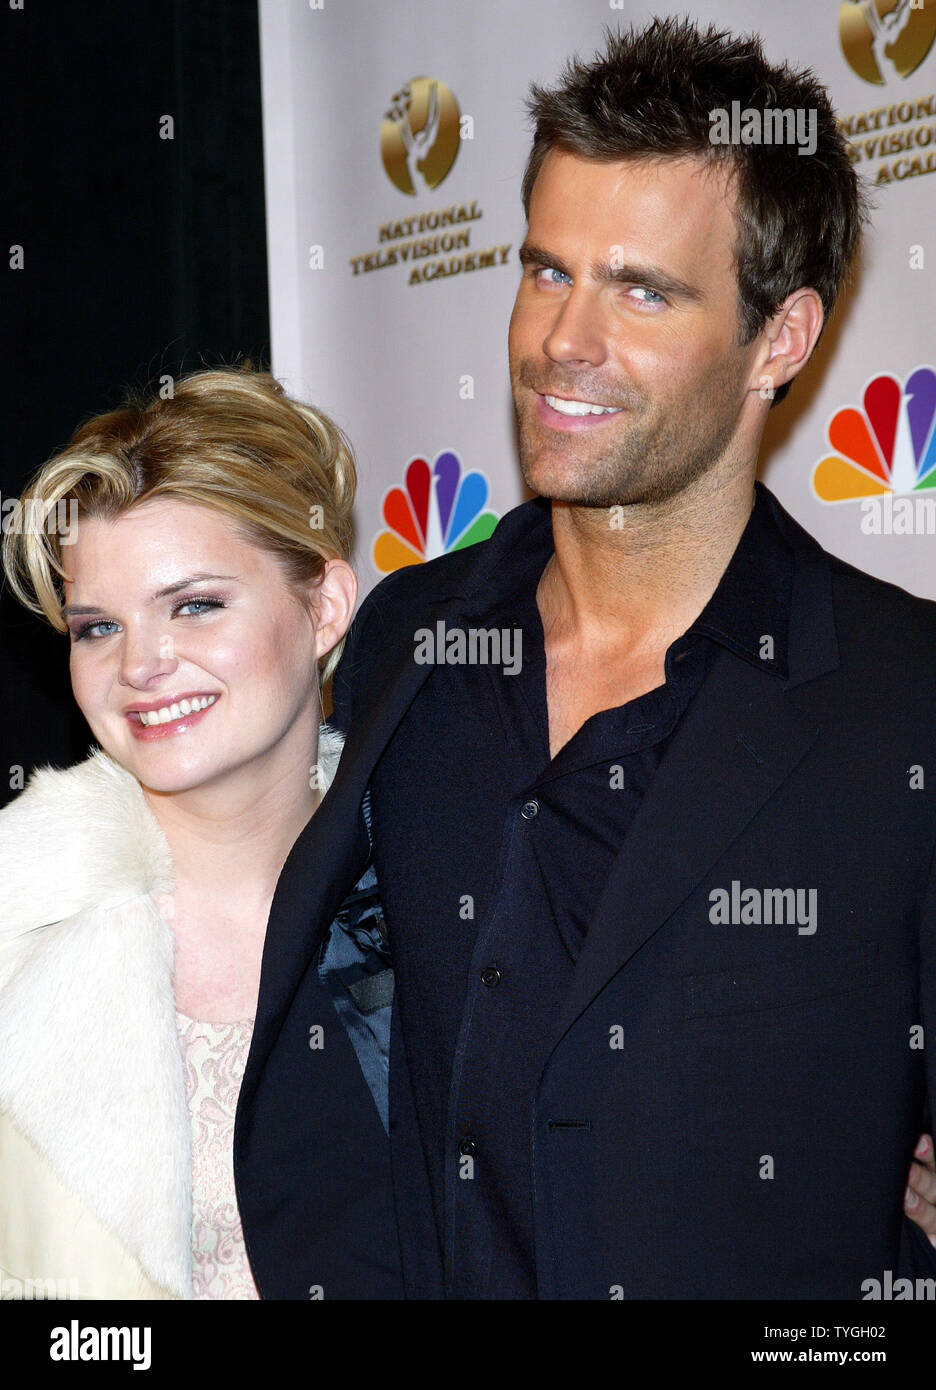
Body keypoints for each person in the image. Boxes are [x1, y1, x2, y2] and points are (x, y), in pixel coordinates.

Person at [235, 17, 936, 1298]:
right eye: (547, 269)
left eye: (643, 290)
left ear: (779, 340)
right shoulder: (411, 640)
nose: (565, 338)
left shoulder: (904, 701)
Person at [0, 365, 371, 1299]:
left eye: (195, 605)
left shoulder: (454, 892)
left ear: (323, 607)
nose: (141, 665)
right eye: (96, 628)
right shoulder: (15, 920)